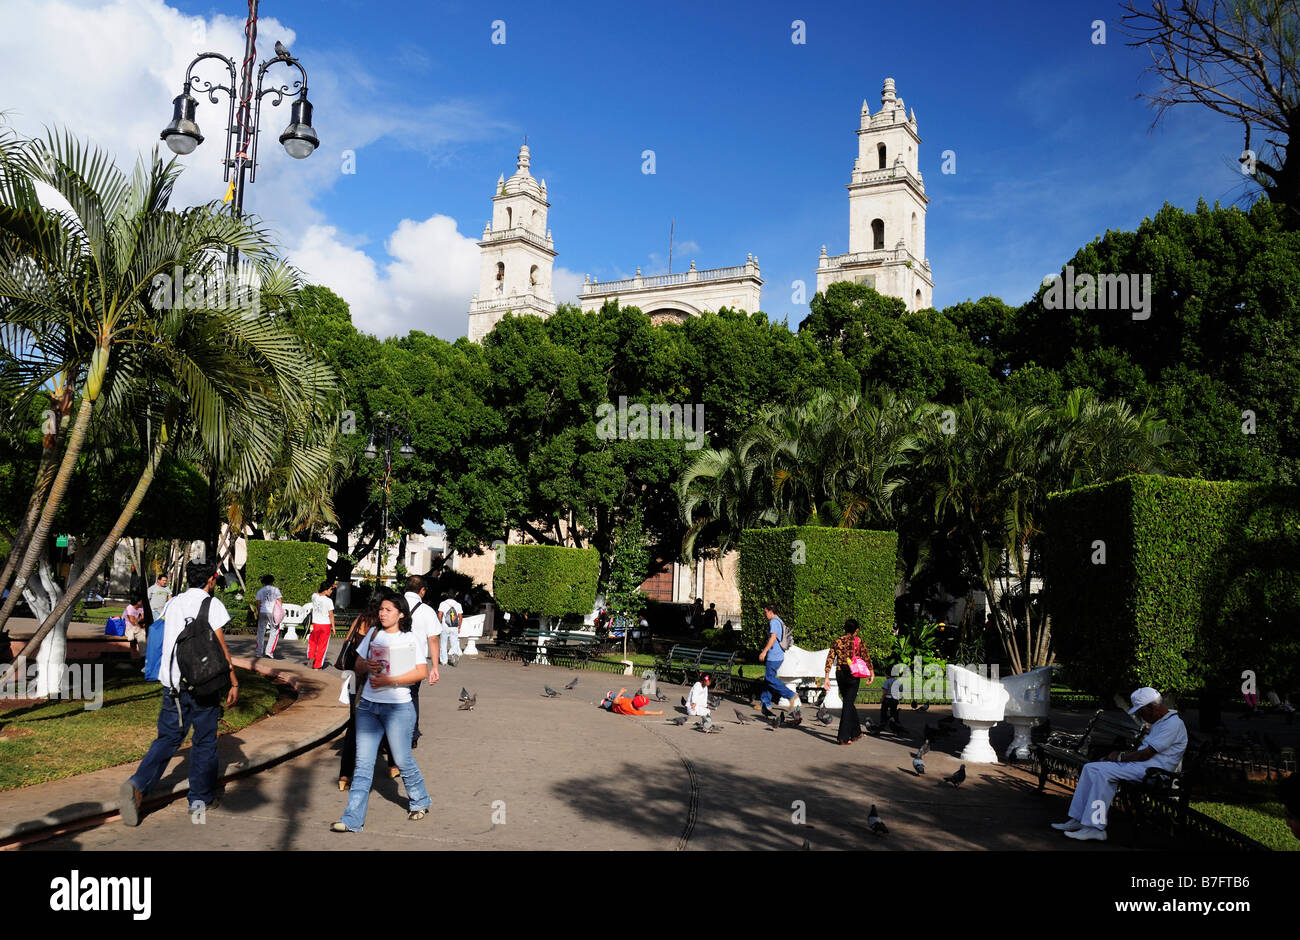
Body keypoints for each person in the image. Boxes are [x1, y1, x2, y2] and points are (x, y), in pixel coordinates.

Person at [119, 561, 238, 826]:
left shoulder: (173, 603)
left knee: (168, 738)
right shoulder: (213, 604)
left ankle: (138, 784)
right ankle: (200, 799)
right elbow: (220, 646)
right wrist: (233, 680)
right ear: (210, 580)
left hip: (172, 683)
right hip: (204, 684)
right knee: (205, 741)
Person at [332, 590, 432, 832]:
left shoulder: (410, 639)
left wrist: (391, 681)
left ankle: (420, 799)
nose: (382, 613)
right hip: (368, 706)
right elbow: (356, 664)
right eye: (381, 609)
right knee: (363, 764)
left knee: (402, 759)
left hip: (398, 707)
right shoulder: (374, 634)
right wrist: (367, 665)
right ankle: (352, 819)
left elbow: (421, 672)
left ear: (400, 614)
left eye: (388, 610)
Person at [1052, 687, 1188, 842]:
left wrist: (1120, 757)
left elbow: (1145, 754)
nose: (1140, 716)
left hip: (1155, 773)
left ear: (1150, 707)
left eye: (1140, 712)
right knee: (1091, 768)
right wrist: (1119, 757)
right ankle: (1079, 818)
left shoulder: (1173, 724)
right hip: (1142, 767)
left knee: (1104, 773)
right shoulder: (1162, 721)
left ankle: (1095, 828)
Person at [337, 596, 394, 791]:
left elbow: (348, 641)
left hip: (356, 681)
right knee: (388, 724)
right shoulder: (380, 631)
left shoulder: (361, 620)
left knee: (353, 729)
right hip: (373, 685)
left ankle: (344, 775)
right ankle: (393, 765)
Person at [403, 576, 442, 752]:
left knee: (389, 695)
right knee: (412, 696)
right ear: (422, 590)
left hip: (392, 658)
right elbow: (433, 639)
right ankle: (411, 734)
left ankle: (387, 735)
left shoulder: (393, 606)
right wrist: (435, 666)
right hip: (415, 661)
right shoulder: (427, 611)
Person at [824, 618, 869, 745]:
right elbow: (866, 657)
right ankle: (843, 736)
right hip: (853, 674)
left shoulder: (837, 641)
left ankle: (856, 732)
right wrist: (871, 673)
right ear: (856, 630)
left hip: (840, 674)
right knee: (848, 703)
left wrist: (827, 677)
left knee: (848, 702)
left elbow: (830, 659)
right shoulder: (858, 641)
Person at [757, 601, 798, 718]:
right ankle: (765, 702)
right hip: (778, 655)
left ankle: (790, 695)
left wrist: (764, 651)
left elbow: (773, 638)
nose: (765, 614)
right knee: (768, 679)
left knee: (770, 678)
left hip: (774, 656)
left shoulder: (774, 622)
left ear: (770, 612)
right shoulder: (779, 620)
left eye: (766, 612)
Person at [306, 580, 336, 669]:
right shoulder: (329, 601)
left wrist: (328, 586)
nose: (331, 591)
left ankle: (311, 656)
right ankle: (317, 665)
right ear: (326, 590)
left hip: (315, 624)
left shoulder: (314, 597)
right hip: (325, 625)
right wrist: (333, 627)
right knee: (322, 646)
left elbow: (317, 593)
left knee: (312, 642)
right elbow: (331, 615)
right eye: (330, 589)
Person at [254, 574, 282, 658]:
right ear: (272, 581)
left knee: (260, 632)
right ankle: (269, 652)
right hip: (272, 612)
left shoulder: (260, 591)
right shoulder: (276, 590)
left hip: (263, 611)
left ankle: (259, 652)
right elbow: (280, 601)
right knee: (274, 631)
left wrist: (259, 613)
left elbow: (258, 604)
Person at [437, 591, 464, 665]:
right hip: (454, 627)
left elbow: (439, 615)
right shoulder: (458, 605)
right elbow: (460, 617)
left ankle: (444, 661)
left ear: (447, 595)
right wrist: (459, 627)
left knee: (443, 643)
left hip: (445, 626)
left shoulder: (443, 604)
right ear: (455, 596)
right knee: (454, 642)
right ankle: (455, 655)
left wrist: (439, 624)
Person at [880, 662, 903, 728]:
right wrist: (900, 697)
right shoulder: (898, 681)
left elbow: (885, 691)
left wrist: (882, 698)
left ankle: (883, 722)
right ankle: (894, 721)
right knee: (893, 710)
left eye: (885, 674)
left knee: (884, 710)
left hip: (887, 698)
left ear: (887, 675)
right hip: (895, 699)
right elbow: (901, 690)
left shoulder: (887, 681)